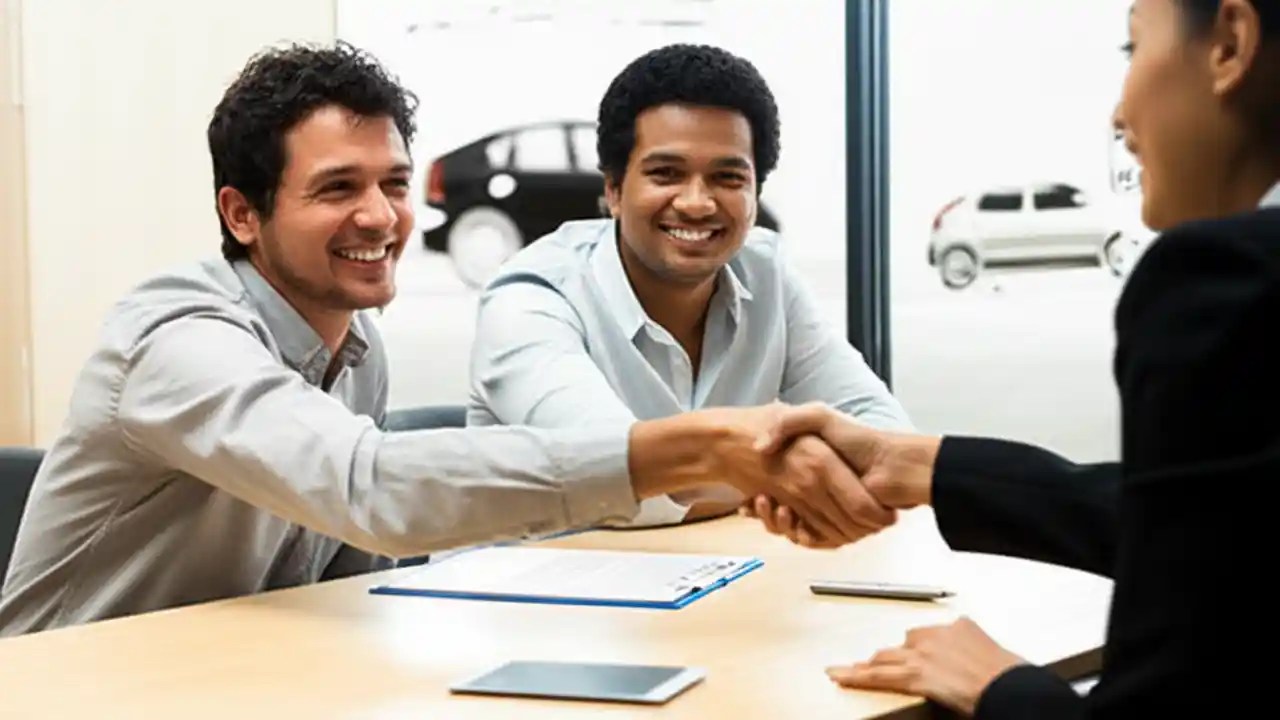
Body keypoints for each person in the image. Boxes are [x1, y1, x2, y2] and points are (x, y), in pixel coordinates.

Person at [0, 42, 884, 638]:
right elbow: (368, 489)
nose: (381, 217)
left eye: (392, 182)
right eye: (337, 188)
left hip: (226, 682)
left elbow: (341, 581)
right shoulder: (178, 336)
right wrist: (711, 446)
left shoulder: (355, 350)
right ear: (243, 213)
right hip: (71, 689)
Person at [745, 0, 1280, 716]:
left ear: (1230, 43)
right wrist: (917, 464)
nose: (1119, 114)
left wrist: (999, 686)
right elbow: (1224, 527)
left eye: (1132, 49)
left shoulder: (1227, 287)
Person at [466, 43, 911, 529]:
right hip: (536, 595)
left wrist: (760, 472)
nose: (697, 203)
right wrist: (784, 472)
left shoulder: (765, 273)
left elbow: (881, 436)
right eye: (666, 174)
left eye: (727, 177)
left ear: (755, 194)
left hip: (712, 583)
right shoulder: (531, 296)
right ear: (613, 190)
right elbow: (611, 474)